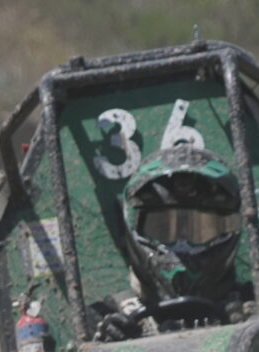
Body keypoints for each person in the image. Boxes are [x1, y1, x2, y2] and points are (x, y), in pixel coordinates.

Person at [93, 143, 247, 341]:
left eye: (201, 230)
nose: (182, 248)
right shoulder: (105, 319)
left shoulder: (257, 305)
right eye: (163, 228)